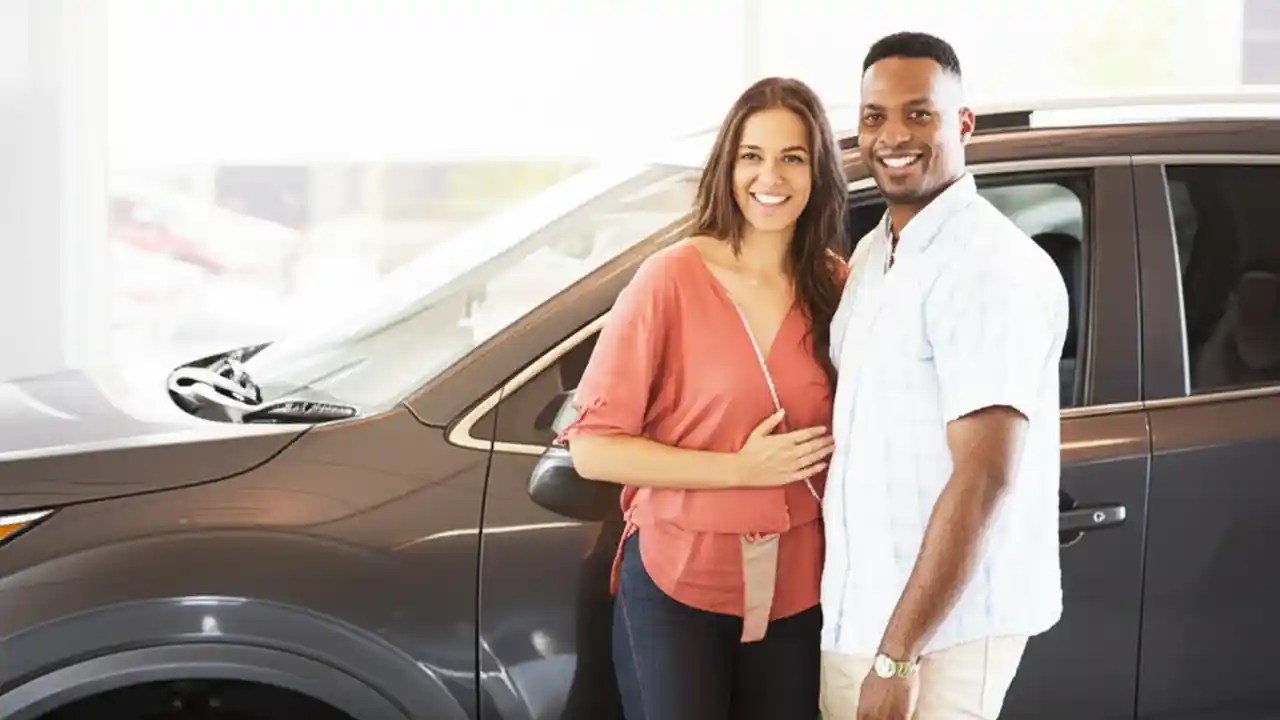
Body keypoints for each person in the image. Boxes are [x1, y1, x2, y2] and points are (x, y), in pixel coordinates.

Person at [555, 76, 849, 719]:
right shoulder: (670, 280)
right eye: (752, 156)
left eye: (791, 157)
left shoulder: (837, 286)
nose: (769, 177)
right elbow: (594, 452)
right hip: (677, 581)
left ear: (817, 170)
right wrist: (737, 471)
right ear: (728, 165)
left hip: (801, 590)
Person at [819, 32, 1069, 720]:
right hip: (863, 614)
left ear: (963, 123)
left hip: (939, 638)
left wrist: (899, 655)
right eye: (875, 117)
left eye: (918, 113)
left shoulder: (987, 266)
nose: (893, 135)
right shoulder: (876, 252)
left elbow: (984, 474)